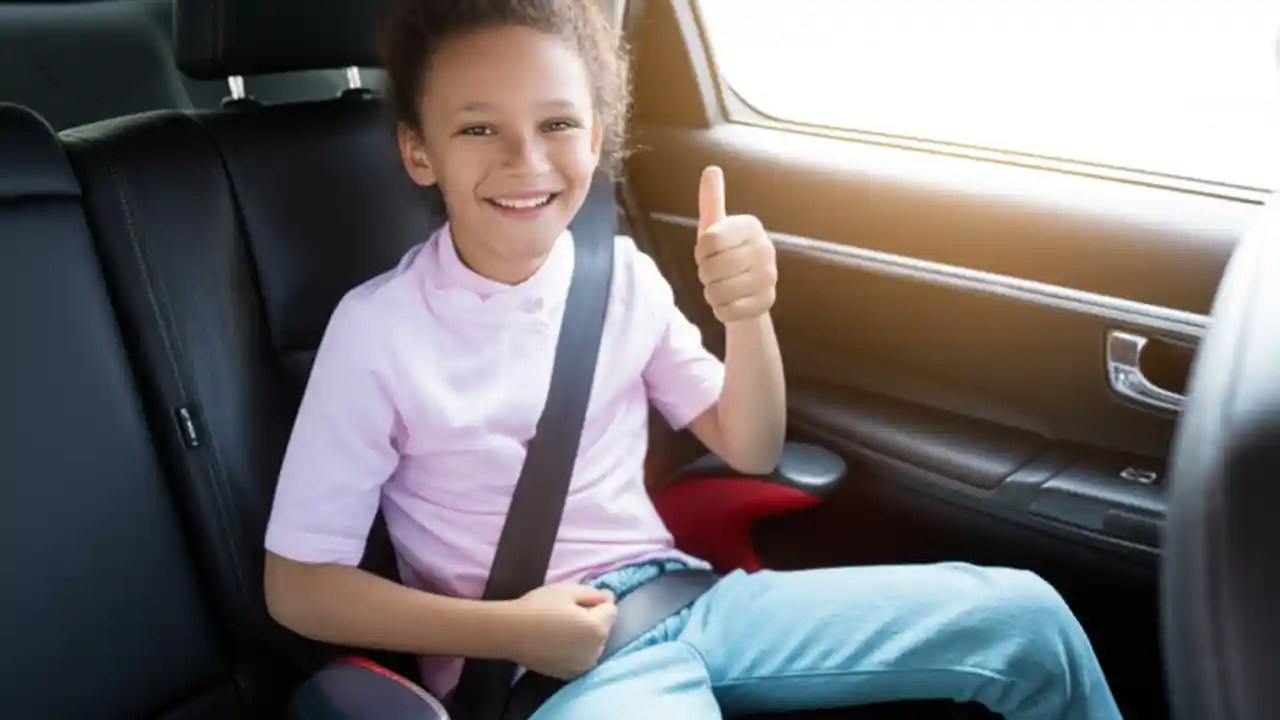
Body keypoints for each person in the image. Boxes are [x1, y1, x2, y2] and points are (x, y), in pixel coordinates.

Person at [261, 1, 1124, 717]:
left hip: (694, 599)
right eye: (479, 127)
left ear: (596, 137)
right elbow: (299, 589)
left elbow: (748, 445)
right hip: (544, 664)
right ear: (421, 151)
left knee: (1027, 618)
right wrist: (515, 632)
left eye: (557, 123)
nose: (524, 160)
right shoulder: (378, 333)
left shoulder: (618, 275)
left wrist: (747, 316)